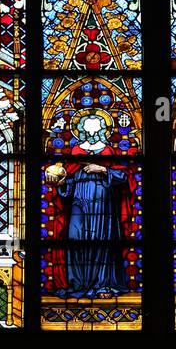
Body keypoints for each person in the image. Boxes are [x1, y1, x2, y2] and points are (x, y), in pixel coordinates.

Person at [44, 112, 131, 297]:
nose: (92, 129)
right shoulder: (75, 151)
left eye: (96, 125)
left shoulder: (108, 151)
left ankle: (102, 284)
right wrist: (60, 184)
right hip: (78, 198)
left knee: (102, 239)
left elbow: (123, 176)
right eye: (87, 125)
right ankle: (78, 284)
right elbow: (68, 179)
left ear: (102, 128)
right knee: (75, 238)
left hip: (103, 199)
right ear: (81, 128)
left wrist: (101, 169)